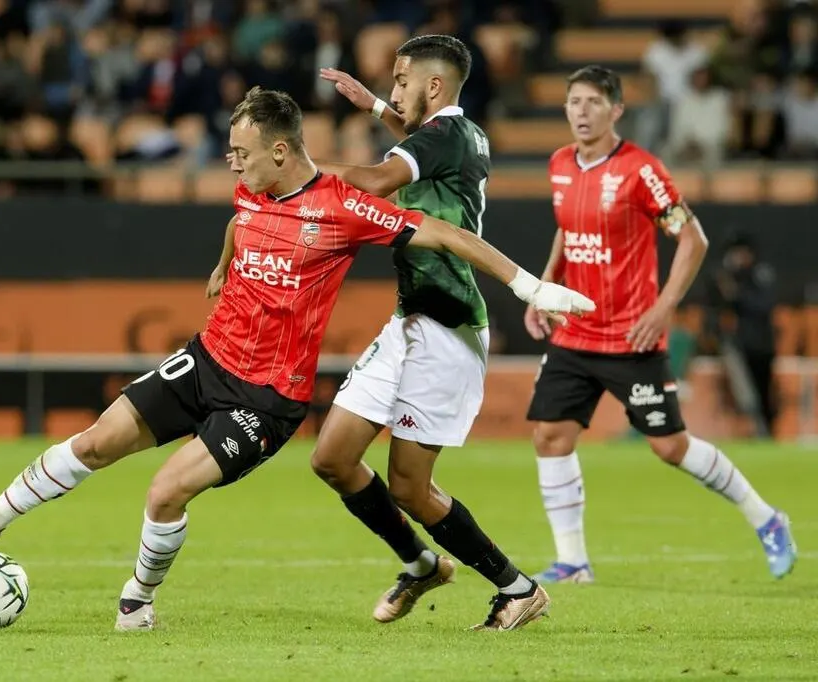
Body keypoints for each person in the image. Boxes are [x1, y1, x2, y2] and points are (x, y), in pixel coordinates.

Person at [0, 86, 594, 631]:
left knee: (164, 492)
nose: (231, 161)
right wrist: (222, 264)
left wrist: (529, 285)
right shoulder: (252, 190)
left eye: (241, 150)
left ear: (283, 150)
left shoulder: (342, 209)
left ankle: (137, 602)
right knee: (94, 441)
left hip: (263, 398)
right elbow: (241, 219)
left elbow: (440, 231)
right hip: (206, 359)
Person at [283, 33, 550, 631]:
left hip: (448, 327)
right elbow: (422, 147)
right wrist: (379, 108)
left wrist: (295, 172)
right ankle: (422, 562)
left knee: (409, 486)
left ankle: (517, 588)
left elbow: (377, 182)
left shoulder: (446, 134)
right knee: (332, 458)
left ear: (433, 86)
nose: (394, 90)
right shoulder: (462, 133)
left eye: (401, 82)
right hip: (410, 318)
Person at [524, 65, 796, 585]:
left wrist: (663, 306)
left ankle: (767, 518)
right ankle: (573, 561)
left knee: (670, 446)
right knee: (550, 436)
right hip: (576, 333)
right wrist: (543, 287)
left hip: (631, 335)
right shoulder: (559, 164)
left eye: (593, 103)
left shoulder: (640, 170)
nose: (581, 112)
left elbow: (692, 239)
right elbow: (567, 231)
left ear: (616, 111)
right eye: (573, 102)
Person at [707, 233, 778, 437]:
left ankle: (766, 431)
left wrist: (736, 295)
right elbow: (716, 309)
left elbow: (764, 305)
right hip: (739, 344)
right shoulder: (725, 276)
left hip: (762, 344)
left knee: (764, 390)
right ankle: (755, 430)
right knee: (746, 392)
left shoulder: (760, 274)